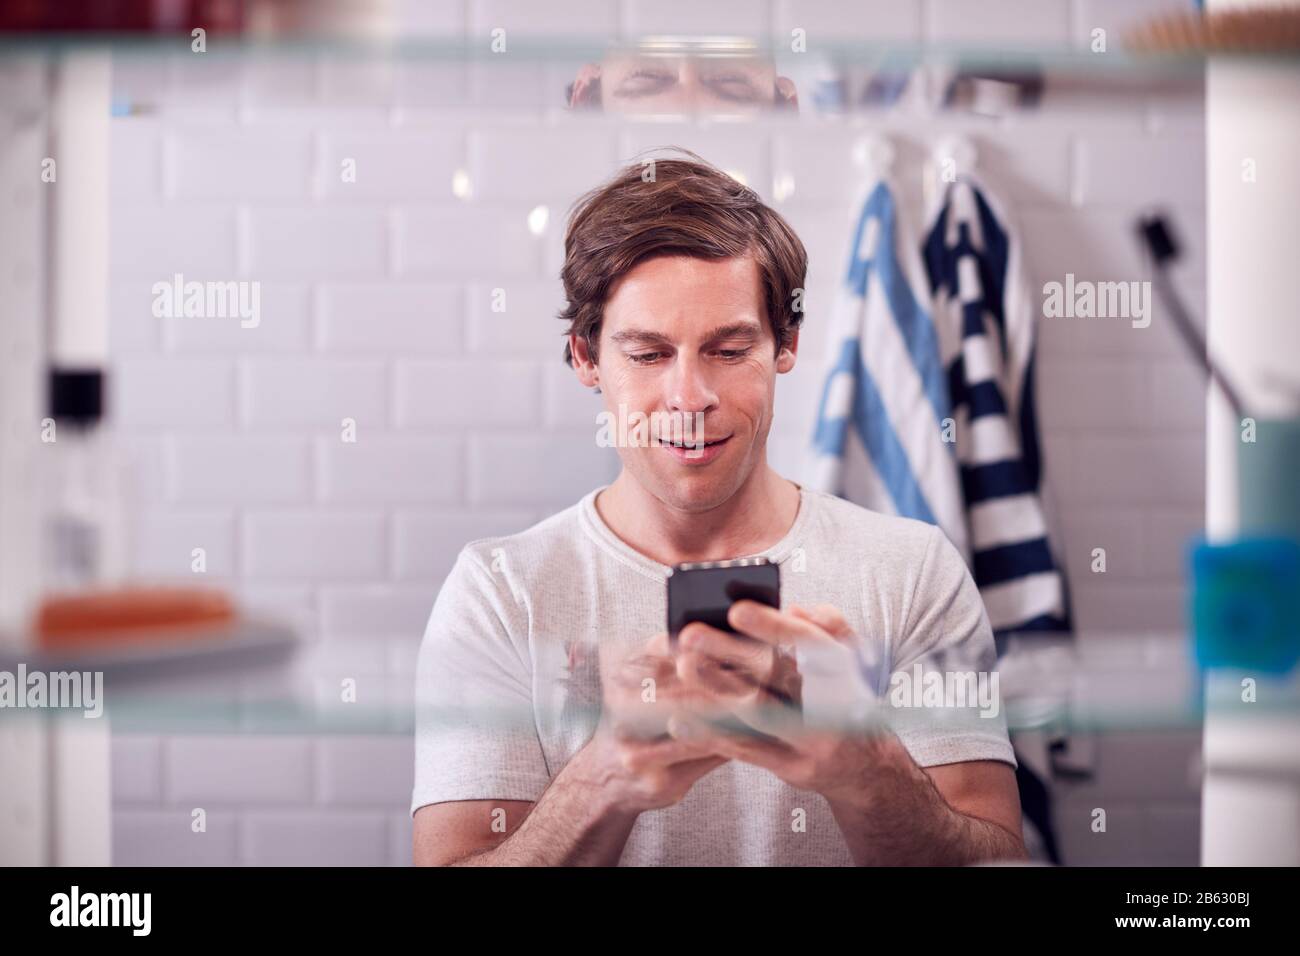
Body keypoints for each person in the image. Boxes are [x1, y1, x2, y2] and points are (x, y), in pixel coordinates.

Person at [411, 151, 1025, 866]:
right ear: (584, 357)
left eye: (729, 349)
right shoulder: (499, 593)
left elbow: (997, 859)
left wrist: (864, 767)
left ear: (785, 343)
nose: (690, 396)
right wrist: (605, 778)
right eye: (647, 355)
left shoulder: (912, 569)